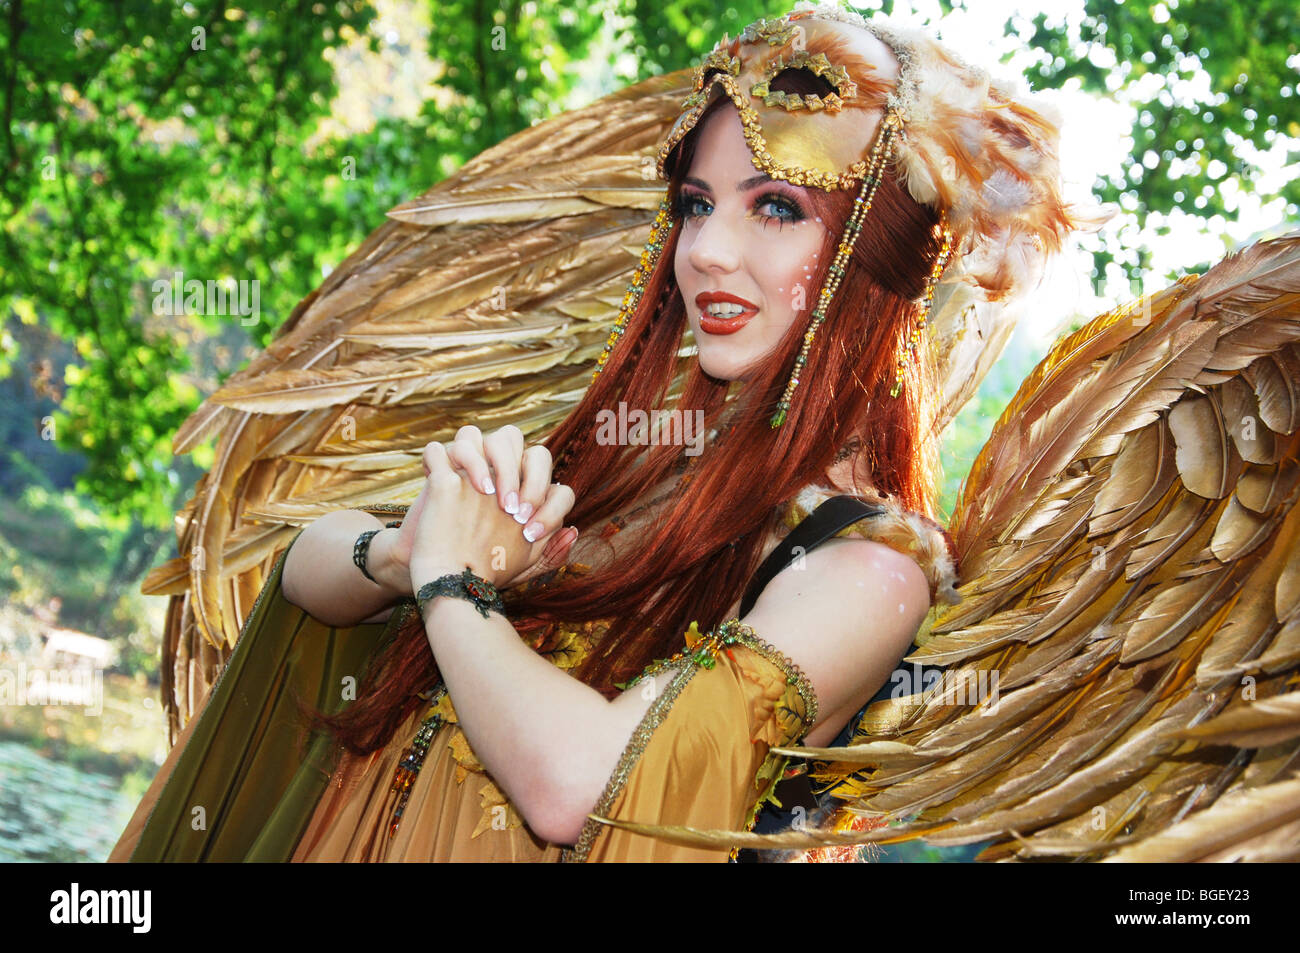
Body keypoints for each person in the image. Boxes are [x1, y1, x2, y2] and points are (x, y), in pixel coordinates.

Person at [110, 4, 1093, 862]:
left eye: (777, 208)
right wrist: (407, 550)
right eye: (696, 205)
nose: (705, 249)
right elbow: (302, 570)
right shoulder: (631, 455)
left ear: (874, 258)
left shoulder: (871, 566)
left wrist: (456, 589)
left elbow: (587, 784)